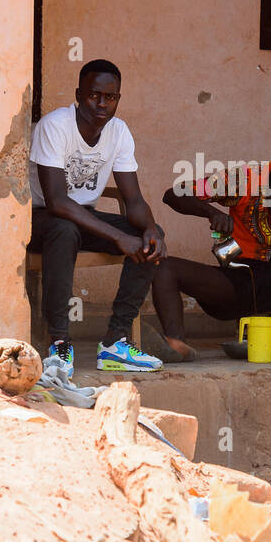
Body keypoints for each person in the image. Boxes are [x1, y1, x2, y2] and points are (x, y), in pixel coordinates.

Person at [28, 59, 167, 374]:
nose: (102, 103)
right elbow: (57, 202)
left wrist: (148, 229)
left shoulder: (118, 132)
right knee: (64, 229)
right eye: (94, 95)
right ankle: (59, 344)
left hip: (82, 218)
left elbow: (132, 199)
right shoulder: (55, 125)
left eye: (111, 97)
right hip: (40, 219)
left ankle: (115, 343)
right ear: (79, 94)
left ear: (118, 98)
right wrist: (118, 236)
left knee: (151, 236)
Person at [150, 131, 271, 362]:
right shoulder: (246, 178)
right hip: (241, 278)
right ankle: (176, 343)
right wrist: (211, 212)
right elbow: (174, 195)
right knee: (164, 269)